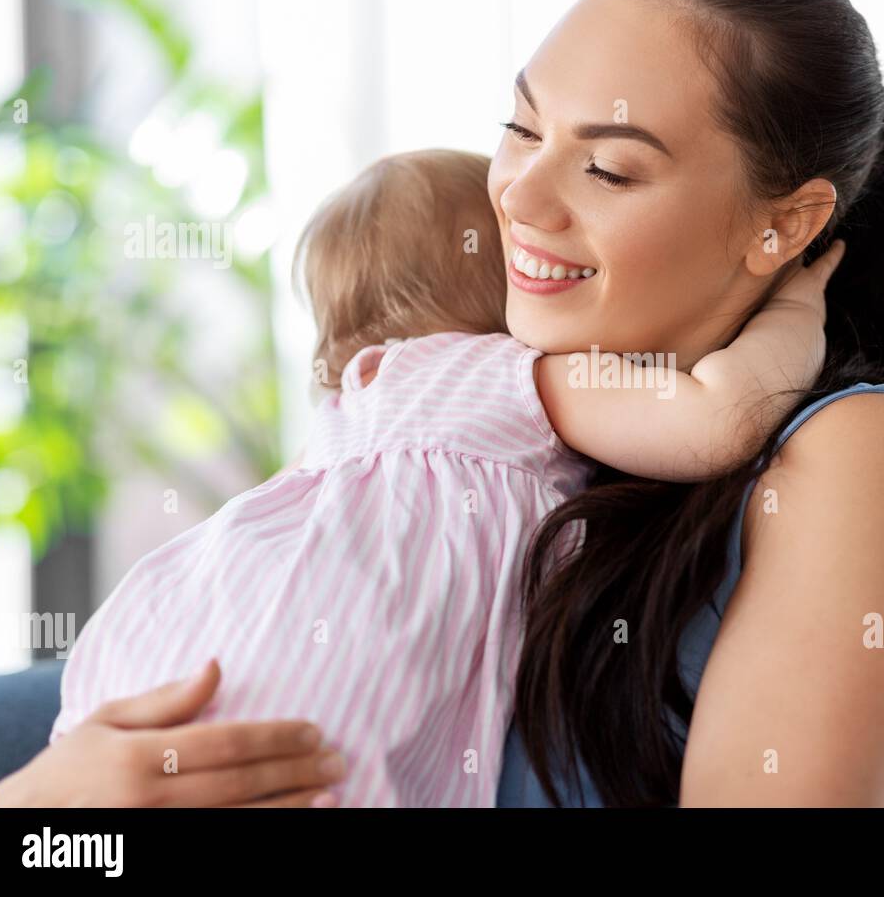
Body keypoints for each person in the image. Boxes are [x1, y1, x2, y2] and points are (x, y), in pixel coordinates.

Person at [0, 0, 884, 808]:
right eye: (520, 129)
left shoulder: (856, 457)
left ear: (786, 223)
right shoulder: (489, 441)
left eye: (609, 167)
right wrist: (40, 813)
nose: (519, 197)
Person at [42, 147, 840, 807]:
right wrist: (797, 311)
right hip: (322, 719)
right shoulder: (503, 374)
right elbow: (719, 419)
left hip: (161, 669)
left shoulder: (354, 408)